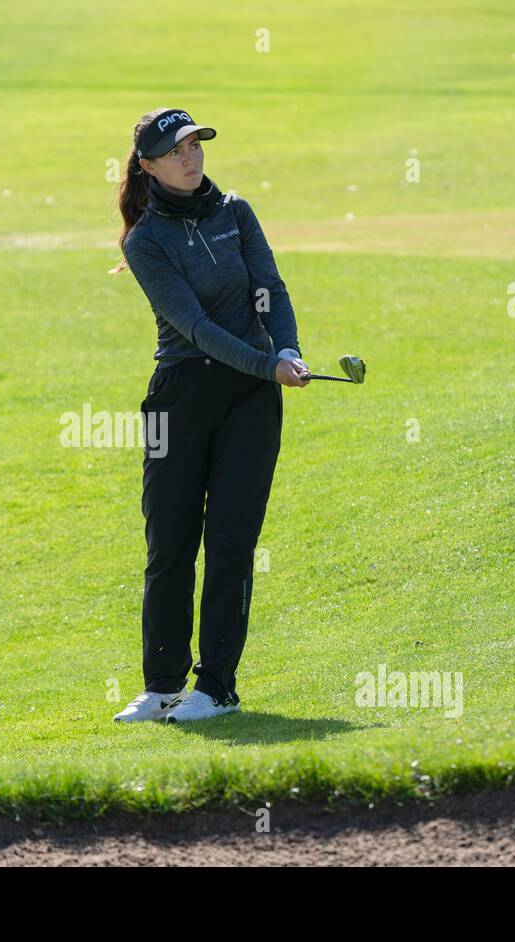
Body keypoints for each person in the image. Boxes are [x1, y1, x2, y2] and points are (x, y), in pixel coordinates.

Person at [111, 108, 308, 723]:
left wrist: (288, 350)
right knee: (169, 541)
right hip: (181, 394)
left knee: (230, 544)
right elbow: (192, 328)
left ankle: (216, 688)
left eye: (195, 145)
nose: (191, 158)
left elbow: (270, 290)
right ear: (149, 166)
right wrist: (265, 364)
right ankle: (162, 685)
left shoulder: (236, 213)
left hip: (250, 400)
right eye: (176, 152)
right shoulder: (145, 241)